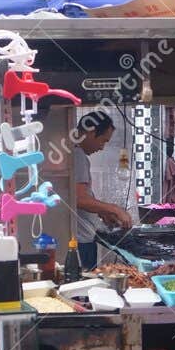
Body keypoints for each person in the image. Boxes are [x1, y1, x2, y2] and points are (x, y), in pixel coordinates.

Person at [70, 110, 131, 268]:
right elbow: (79, 199)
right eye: (103, 141)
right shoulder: (77, 156)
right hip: (81, 243)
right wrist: (115, 209)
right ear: (91, 132)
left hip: (84, 239)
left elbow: (81, 196)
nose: (102, 147)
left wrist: (102, 211)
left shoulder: (75, 154)